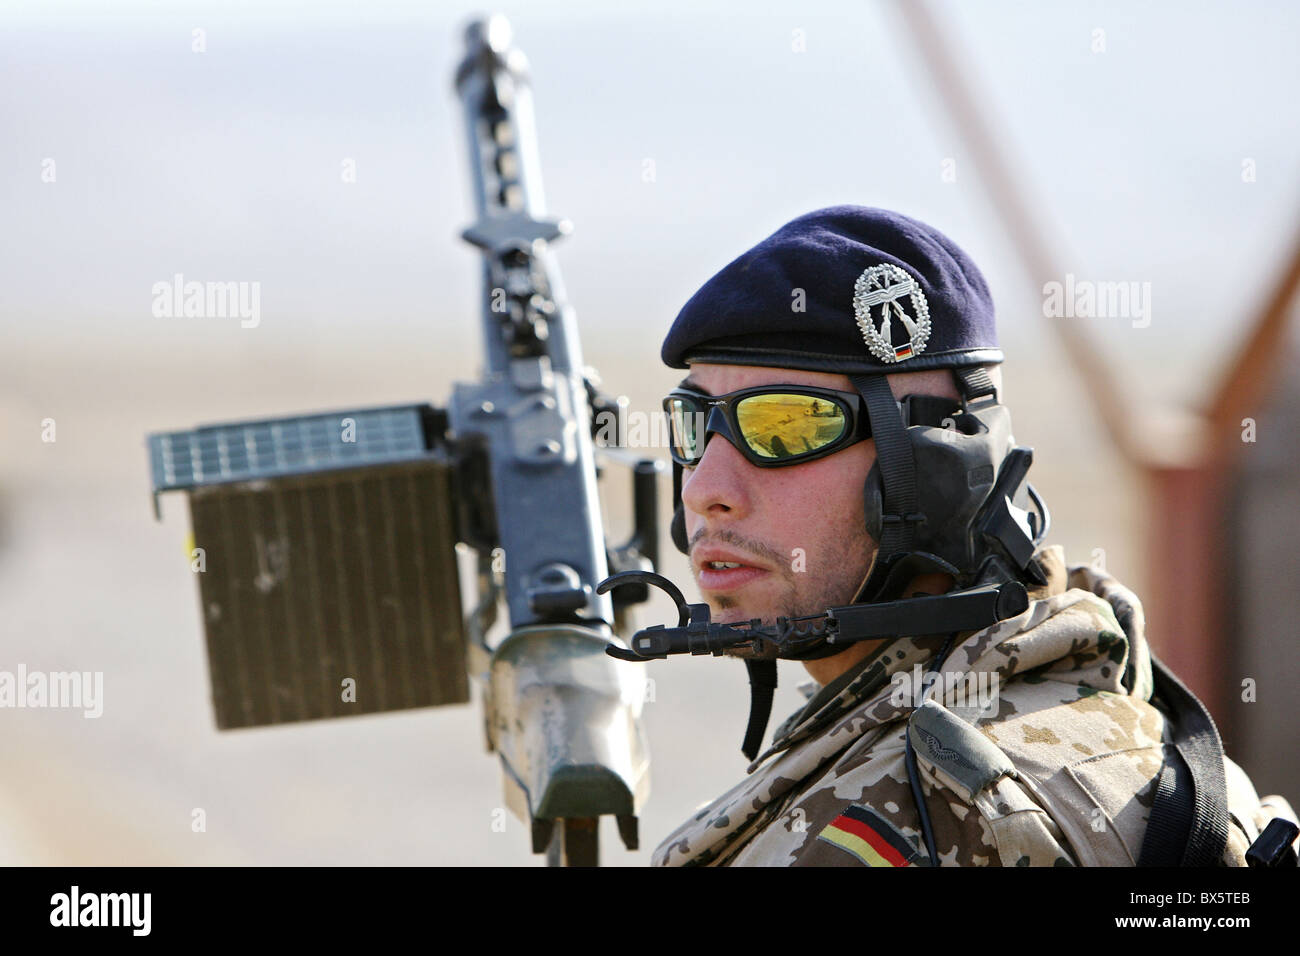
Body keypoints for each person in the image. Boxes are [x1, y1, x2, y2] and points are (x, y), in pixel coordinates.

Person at [647, 205, 1297, 867]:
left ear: (932, 473)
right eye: (696, 420)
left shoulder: (935, 815)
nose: (704, 488)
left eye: (785, 426)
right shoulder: (1082, 705)